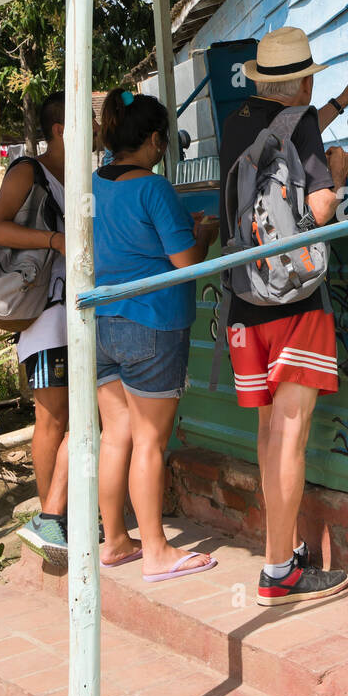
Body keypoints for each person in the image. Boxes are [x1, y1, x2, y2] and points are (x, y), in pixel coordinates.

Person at [219, 26, 348, 606]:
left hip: (244, 296)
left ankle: (281, 553)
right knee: (292, 434)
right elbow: (320, 207)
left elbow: (285, 143)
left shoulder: (236, 124)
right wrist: (339, 173)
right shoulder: (302, 124)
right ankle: (279, 570)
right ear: (303, 79)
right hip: (296, 301)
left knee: (267, 433)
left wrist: (343, 100)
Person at [92, 88, 220, 579]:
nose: (164, 149)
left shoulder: (97, 184)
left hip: (104, 323)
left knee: (115, 438)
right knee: (150, 441)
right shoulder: (155, 188)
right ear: (150, 139)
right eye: (163, 140)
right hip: (152, 323)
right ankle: (158, 551)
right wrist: (203, 235)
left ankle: (117, 541)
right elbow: (185, 262)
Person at [0, 92, 70, 565]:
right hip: (41, 317)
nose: (95, 133)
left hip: (74, 311)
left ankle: (64, 513)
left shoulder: (77, 175)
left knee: (76, 416)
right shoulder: (27, 171)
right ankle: (49, 520)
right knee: (52, 418)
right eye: (85, 123)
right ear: (60, 129)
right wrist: (53, 239)